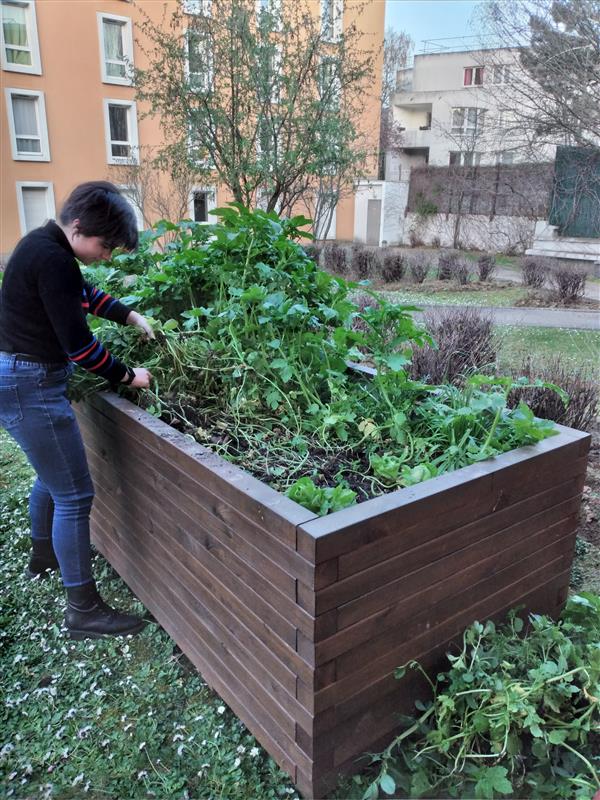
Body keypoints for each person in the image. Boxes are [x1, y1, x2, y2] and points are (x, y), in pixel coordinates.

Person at [0, 181, 154, 640]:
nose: (106, 255)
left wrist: (130, 315)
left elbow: (84, 294)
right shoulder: (53, 260)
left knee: (50, 477)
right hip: (31, 383)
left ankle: (44, 555)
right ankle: (83, 611)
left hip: (18, 375)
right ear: (80, 227)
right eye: (105, 245)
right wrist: (129, 376)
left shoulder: (42, 246)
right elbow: (82, 348)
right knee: (74, 495)